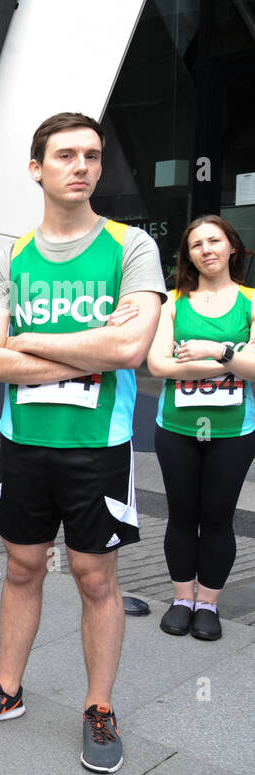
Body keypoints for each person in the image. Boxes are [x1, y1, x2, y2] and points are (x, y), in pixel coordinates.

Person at [0, 112, 165, 775]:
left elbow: (132, 347)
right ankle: (7, 688)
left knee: (95, 576)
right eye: (66, 154)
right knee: (22, 566)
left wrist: (28, 339)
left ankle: (99, 705)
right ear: (37, 168)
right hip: (24, 443)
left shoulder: (132, 247)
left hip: (98, 445)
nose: (82, 165)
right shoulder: (9, 256)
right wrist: (88, 348)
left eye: (92, 155)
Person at [147, 215, 255, 642]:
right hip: (175, 427)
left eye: (215, 241)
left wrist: (213, 349)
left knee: (218, 518)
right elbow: (158, 366)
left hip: (234, 431)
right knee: (180, 515)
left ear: (232, 247)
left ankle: (207, 603)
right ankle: (181, 599)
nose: (206, 249)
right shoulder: (171, 303)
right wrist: (234, 360)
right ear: (188, 254)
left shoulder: (251, 300)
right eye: (196, 244)